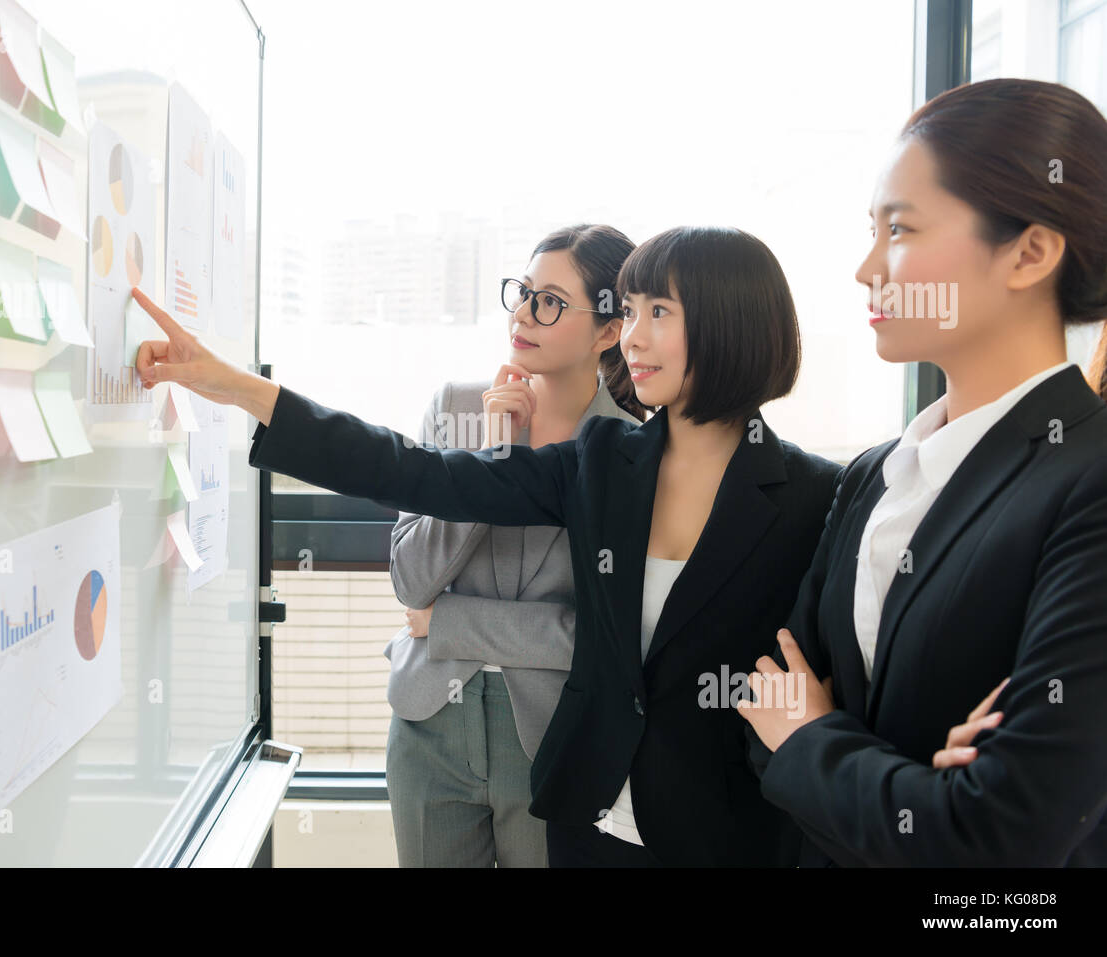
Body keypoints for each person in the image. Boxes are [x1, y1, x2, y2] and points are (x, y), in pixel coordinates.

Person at [130, 224, 842, 866]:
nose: (634, 337)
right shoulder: (603, 461)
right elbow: (411, 468)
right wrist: (236, 387)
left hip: (720, 836)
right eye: (631, 311)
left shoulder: (821, 495)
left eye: (660, 312)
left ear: (732, 324)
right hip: (587, 826)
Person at [737, 77, 1107, 866]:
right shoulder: (873, 475)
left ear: (1031, 251)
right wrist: (913, 787)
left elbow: (997, 834)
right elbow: (765, 716)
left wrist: (812, 735)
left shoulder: (1090, 479)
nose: (867, 269)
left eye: (899, 230)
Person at [385, 224, 644, 867]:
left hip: (552, 739)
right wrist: (490, 457)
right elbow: (411, 579)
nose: (523, 314)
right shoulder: (456, 408)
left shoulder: (632, 450)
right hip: (428, 729)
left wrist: (449, 622)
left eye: (550, 301)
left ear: (610, 329)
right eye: (522, 292)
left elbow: (598, 636)